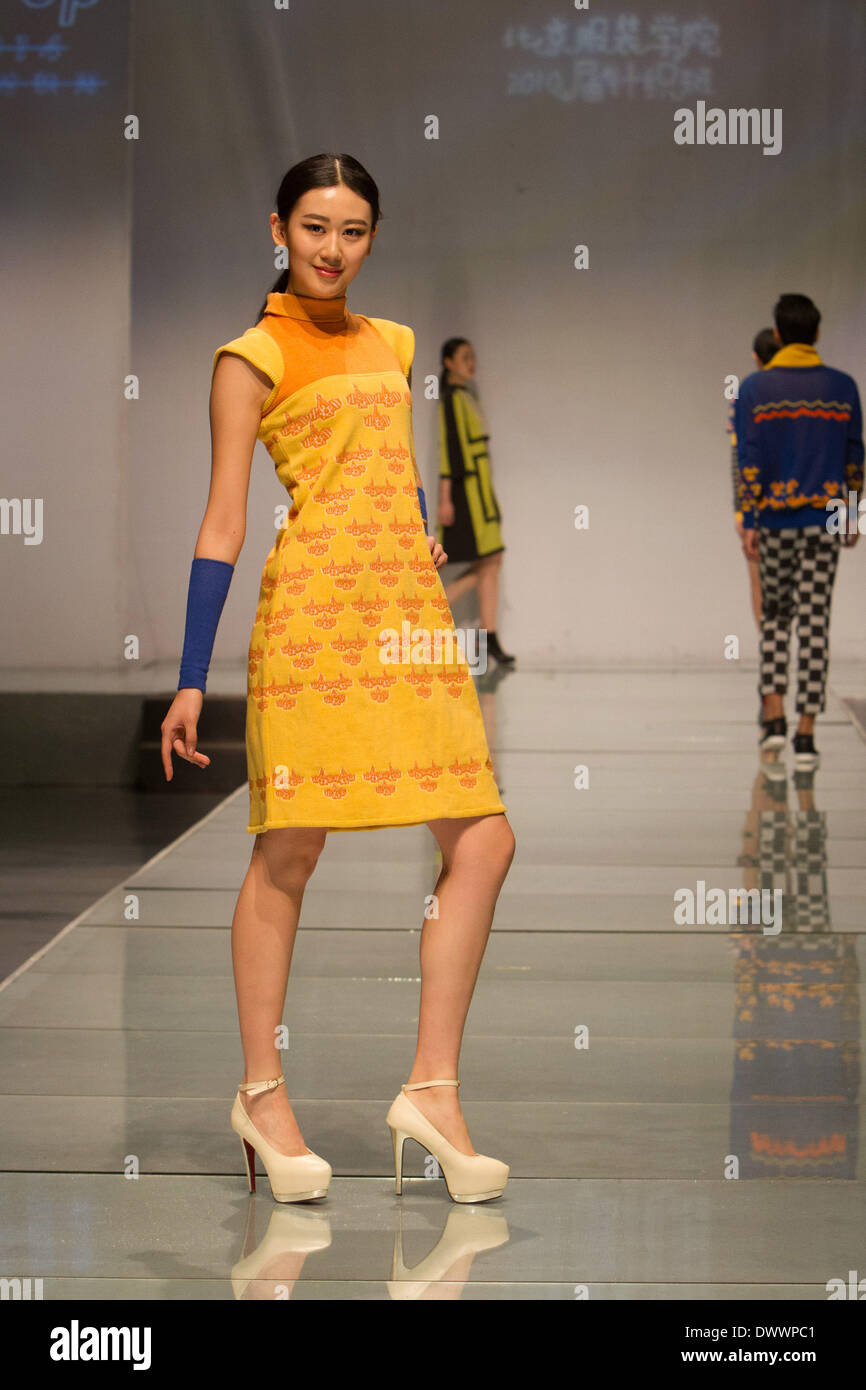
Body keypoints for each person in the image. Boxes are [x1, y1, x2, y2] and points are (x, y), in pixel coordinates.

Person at [159, 153, 515, 1206]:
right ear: (279, 229)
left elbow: (389, 485)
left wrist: (421, 563)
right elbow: (223, 521)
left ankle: (433, 1090)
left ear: (372, 238)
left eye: (352, 230)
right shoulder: (251, 356)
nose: (331, 248)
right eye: (314, 227)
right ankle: (261, 1095)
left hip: (410, 625)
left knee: (484, 840)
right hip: (312, 629)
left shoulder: (393, 343)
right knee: (290, 850)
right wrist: (190, 677)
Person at [736, 293, 863, 769]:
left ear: (777, 334)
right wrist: (853, 515)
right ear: (817, 333)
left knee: (775, 618)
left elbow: (749, 460)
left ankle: (773, 717)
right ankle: (806, 734)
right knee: (814, 621)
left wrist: (749, 519)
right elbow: (855, 457)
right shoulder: (842, 386)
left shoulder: (755, 389)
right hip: (825, 518)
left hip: (774, 519)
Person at [436, 338, 514, 665]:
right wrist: (446, 499)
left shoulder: (467, 396)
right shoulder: (452, 400)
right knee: (488, 561)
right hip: (466, 493)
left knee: (492, 561)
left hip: (480, 489)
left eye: (473, 357)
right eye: (465, 357)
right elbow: (450, 452)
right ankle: (433, 608)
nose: (472, 363)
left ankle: (488, 636)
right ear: (449, 362)